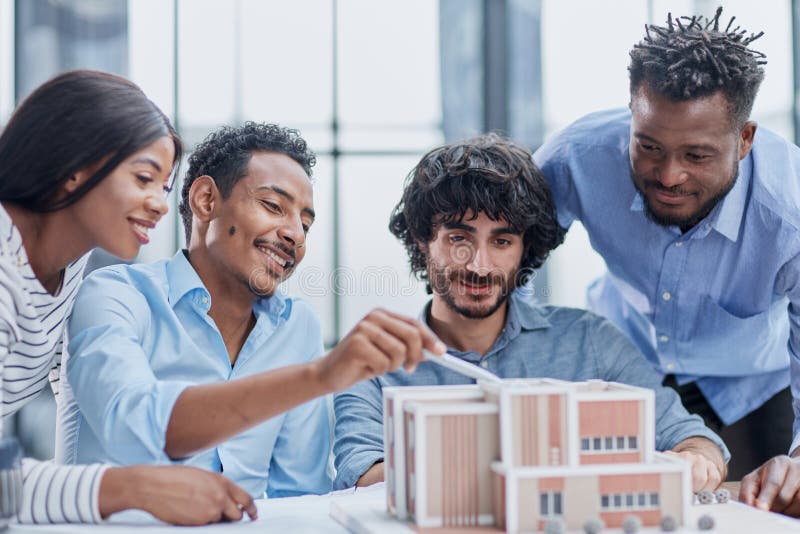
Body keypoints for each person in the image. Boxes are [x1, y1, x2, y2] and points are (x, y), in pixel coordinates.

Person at [59, 122, 445, 498]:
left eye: (306, 225)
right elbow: (131, 428)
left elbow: (299, 495)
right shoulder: (116, 296)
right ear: (206, 200)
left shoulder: (297, 326)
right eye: (273, 205)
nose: (295, 234)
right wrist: (320, 376)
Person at [333, 133, 729, 494]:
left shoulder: (589, 342)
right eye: (458, 238)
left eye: (502, 241)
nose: (480, 266)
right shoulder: (374, 362)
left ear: (525, 248)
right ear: (422, 241)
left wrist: (697, 460)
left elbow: (692, 439)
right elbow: (364, 474)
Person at [532, 7, 800, 515]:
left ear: (744, 140)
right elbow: (505, 257)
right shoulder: (577, 157)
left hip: (753, 387)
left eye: (696, 155)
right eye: (649, 146)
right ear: (633, 113)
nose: (669, 175)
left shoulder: (790, 211)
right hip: (623, 377)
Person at [0, 69, 258, 525]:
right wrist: (132, 487)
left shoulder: (69, 263)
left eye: (163, 187)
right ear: (72, 168)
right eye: (144, 178)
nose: (161, 203)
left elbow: (84, 397)